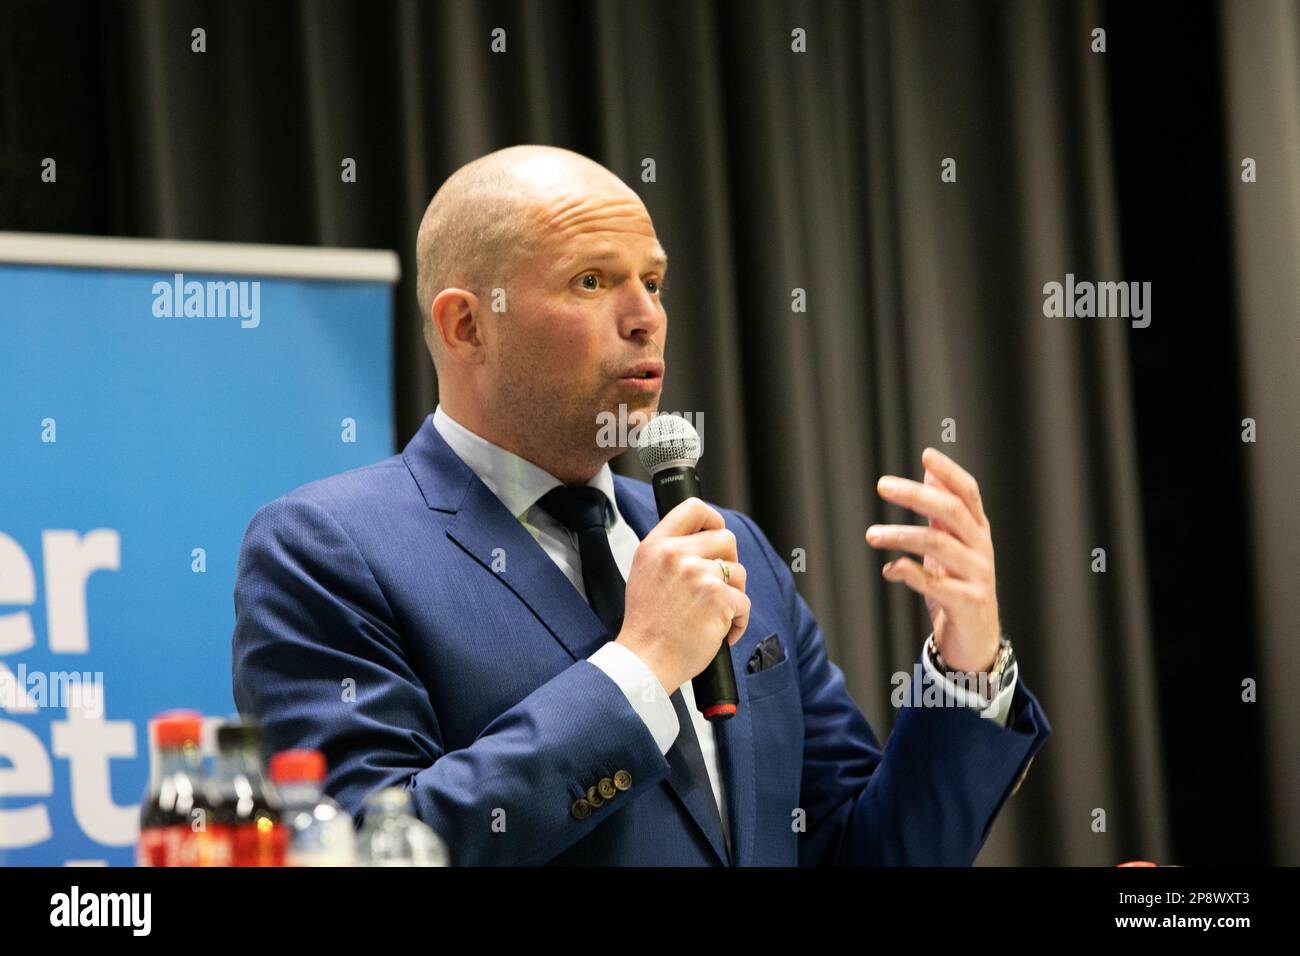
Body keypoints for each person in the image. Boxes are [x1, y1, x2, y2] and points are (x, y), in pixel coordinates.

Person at [231, 144, 1050, 866]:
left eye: (653, 282)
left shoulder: (732, 547)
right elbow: (372, 846)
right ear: (467, 326)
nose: (645, 318)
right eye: (592, 281)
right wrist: (641, 668)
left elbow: (861, 851)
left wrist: (966, 672)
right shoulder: (329, 548)